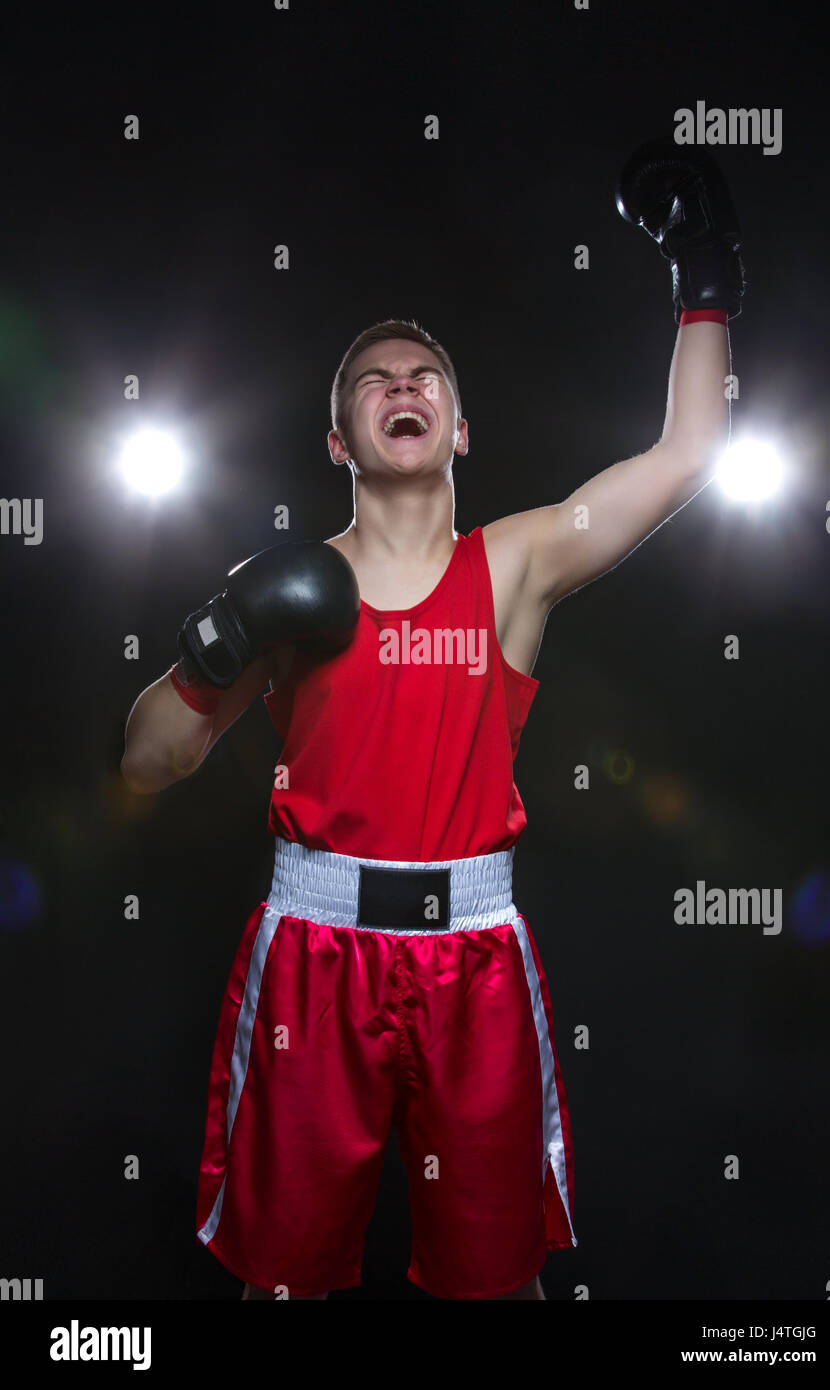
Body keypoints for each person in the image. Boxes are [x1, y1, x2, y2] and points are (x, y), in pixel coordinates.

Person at [120, 139, 743, 1300]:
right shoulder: (286, 587)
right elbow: (150, 761)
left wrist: (702, 274)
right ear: (337, 440)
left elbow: (687, 456)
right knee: (286, 1280)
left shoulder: (510, 565)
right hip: (311, 962)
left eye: (425, 380)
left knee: (493, 1283)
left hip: (476, 964)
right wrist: (217, 636)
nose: (401, 386)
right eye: (373, 379)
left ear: (457, 430)